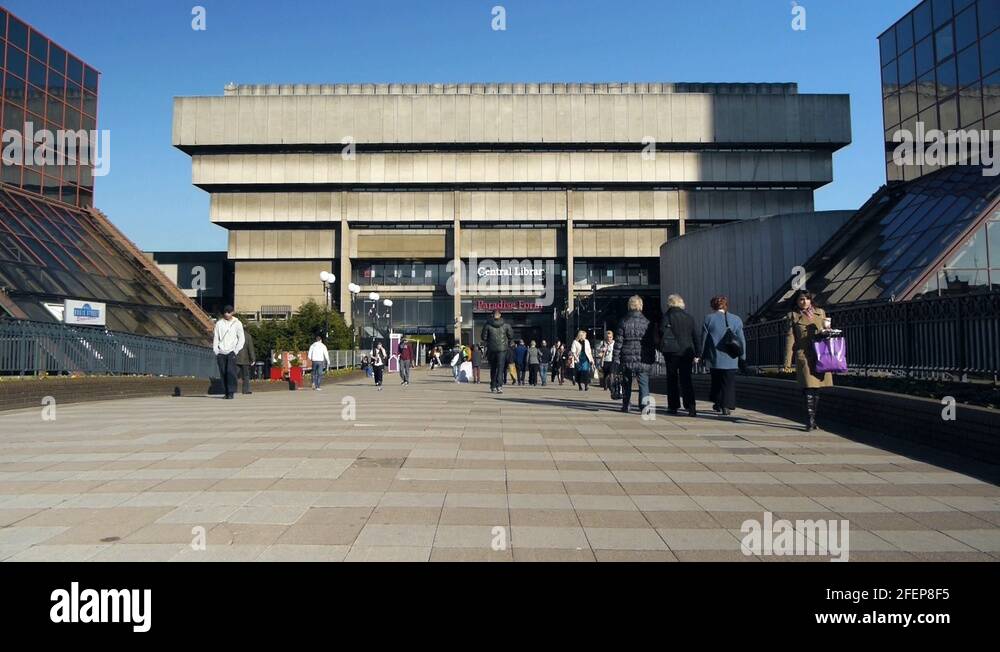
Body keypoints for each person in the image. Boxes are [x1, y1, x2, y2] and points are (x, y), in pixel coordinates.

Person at [782, 290, 834, 431]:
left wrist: (827, 331)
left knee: (816, 389)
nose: (804, 302)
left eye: (807, 299)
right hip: (803, 355)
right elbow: (789, 338)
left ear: (811, 300)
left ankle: (813, 418)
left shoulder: (820, 312)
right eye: (801, 299)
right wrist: (787, 362)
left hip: (820, 354)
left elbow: (827, 331)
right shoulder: (792, 316)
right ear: (796, 302)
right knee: (808, 387)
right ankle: (810, 420)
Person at [701, 295, 746, 416]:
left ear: (713, 305)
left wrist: (701, 355)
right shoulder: (736, 319)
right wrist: (743, 357)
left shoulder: (708, 318)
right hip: (731, 357)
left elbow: (704, 339)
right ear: (726, 305)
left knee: (716, 381)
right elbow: (741, 340)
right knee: (728, 383)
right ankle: (726, 406)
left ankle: (718, 402)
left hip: (715, 357)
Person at [613, 295, 657, 413]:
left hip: (626, 356)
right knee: (643, 382)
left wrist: (616, 358)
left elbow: (618, 342)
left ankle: (626, 404)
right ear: (641, 306)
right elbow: (651, 342)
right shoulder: (647, 323)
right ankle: (645, 407)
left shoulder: (623, 321)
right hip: (643, 356)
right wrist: (651, 357)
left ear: (629, 306)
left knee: (626, 381)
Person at [660, 294, 700, 416]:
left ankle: (673, 406)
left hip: (671, 352)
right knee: (686, 379)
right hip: (687, 352)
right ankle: (691, 406)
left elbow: (662, 331)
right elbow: (695, 336)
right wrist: (698, 353)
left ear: (670, 304)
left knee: (672, 379)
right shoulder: (689, 318)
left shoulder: (667, 317)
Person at [212, 305, 245, 400]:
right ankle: (226, 392)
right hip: (221, 352)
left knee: (230, 372)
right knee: (223, 372)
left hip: (231, 351)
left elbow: (241, 338)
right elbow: (216, 337)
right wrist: (216, 350)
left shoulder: (237, 323)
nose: (227, 314)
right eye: (225, 312)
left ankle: (231, 392)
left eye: (229, 312)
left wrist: (236, 350)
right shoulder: (219, 323)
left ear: (232, 312)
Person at [481, 309, 514, 393]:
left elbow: (483, 337)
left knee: (493, 368)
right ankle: (499, 386)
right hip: (502, 350)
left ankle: (493, 386)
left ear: (492, 315)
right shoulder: (506, 325)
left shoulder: (487, 325)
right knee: (500, 368)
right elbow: (511, 336)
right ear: (500, 315)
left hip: (492, 349)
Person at [236, 328, 256, 395]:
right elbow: (251, 349)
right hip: (245, 359)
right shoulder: (247, 336)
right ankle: (245, 390)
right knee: (246, 375)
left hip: (235, 358)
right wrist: (253, 359)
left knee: (233, 374)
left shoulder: (234, 335)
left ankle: (231, 389)